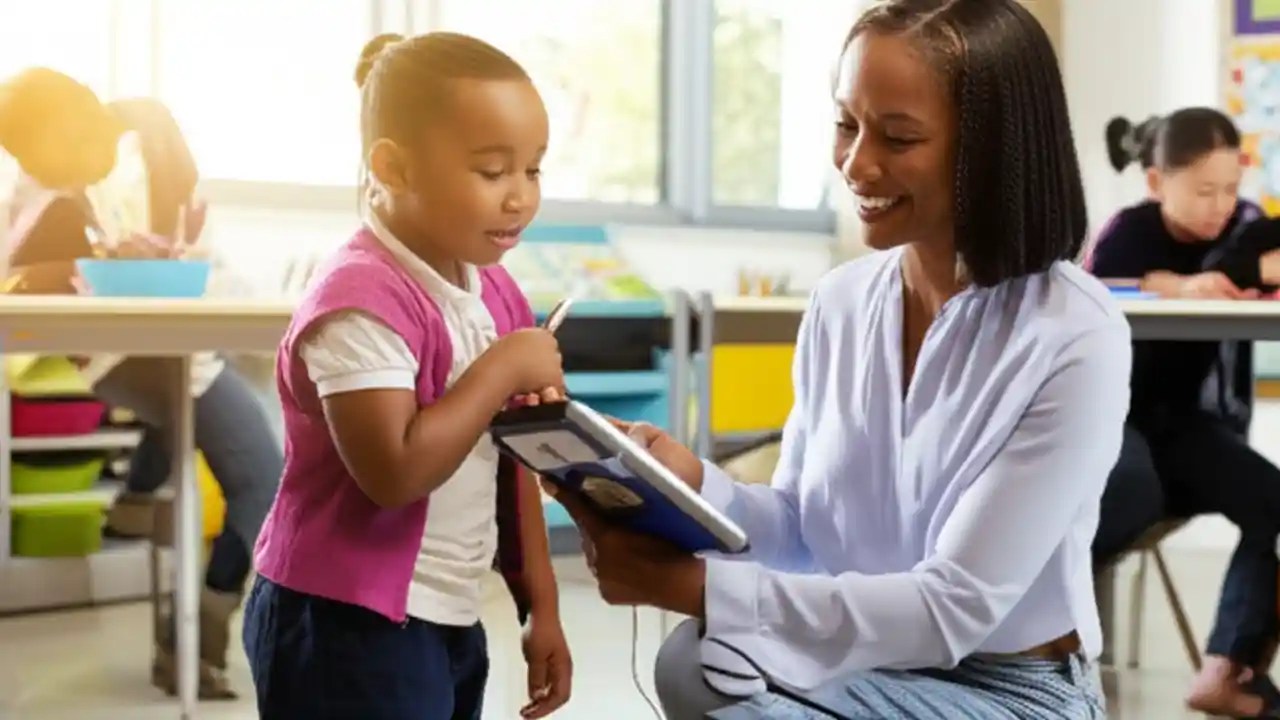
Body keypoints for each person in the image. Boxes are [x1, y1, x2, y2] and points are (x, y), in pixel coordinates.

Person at [552, 1, 1126, 718]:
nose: (856, 163)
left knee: (729, 672)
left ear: (992, 153)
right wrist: (694, 484)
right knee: (699, 663)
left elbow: (954, 609)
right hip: (872, 664)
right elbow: (803, 528)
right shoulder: (842, 302)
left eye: (898, 136)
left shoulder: (1074, 331)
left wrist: (693, 588)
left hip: (1016, 690)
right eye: (846, 124)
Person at [241, 32, 573, 719]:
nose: (519, 199)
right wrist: (505, 364)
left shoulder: (497, 294)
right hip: (340, 624)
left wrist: (540, 602)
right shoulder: (360, 300)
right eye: (491, 172)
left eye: (533, 171)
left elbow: (514, 458)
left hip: (447, 615)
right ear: (392, 167)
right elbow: (393, 472)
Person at [0, 72, 281, 700]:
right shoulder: (59, 193)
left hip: (148, 352)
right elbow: (27, 278)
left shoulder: (115, 154)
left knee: (233, 433)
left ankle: (139, 493)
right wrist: (105, 261)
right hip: (146, 354)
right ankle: (193, 643)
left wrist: (128, 252)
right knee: (265, 481)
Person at [1089, 107, 1280, 718]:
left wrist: (1240, 272)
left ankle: (1227, 668)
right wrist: (1169, 286)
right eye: (1203, 191)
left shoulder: (1244, 227)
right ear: (1155, 182)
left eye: (1230, 188)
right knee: (1131, 489)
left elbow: (1256, 256)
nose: (1221, 205)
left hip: (1180, 424)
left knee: (1271, 500)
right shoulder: (1128, 232)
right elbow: (1084, 296)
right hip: (1112, 416)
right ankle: (1042, 646)